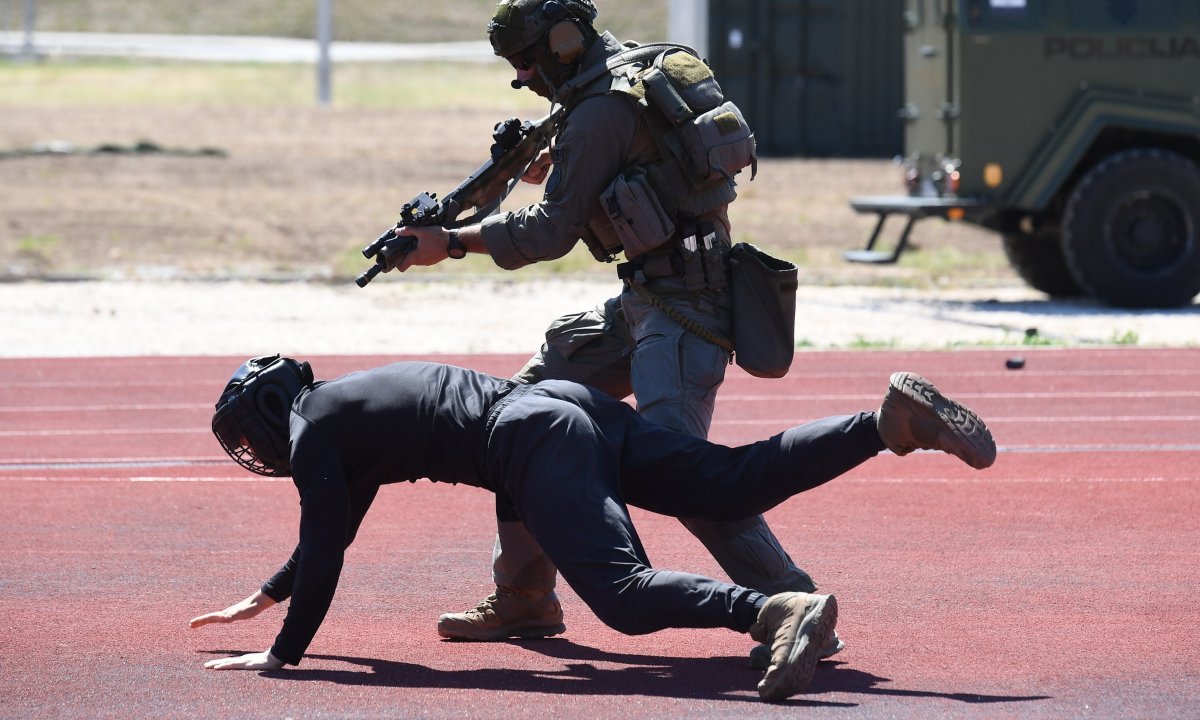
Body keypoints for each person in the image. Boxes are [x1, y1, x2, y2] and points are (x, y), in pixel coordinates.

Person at [379, 0, 823, 653]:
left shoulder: (601, 108)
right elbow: (632, 167)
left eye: (527, 62)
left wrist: (447, 243)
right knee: (521, 420)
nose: (524, 78)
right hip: (648, 298)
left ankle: (796, 603)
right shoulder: (625, 74)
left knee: (682, 475)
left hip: (684, 310)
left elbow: (553, 230)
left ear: (561, 42)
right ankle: (525, 598)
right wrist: (552, 168)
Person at [190, 355, 996, 701]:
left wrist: (283, 654)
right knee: (727, 482)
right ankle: (886, 423)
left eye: (249, 438)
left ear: (268, 413)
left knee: (623, 596)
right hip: (561, 406)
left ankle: (773, 610)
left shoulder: (316, 434)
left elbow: (327, 543)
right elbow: (332, 534)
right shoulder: (339, 411)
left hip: (533, 441)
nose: (257, 453)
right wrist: (265, 598)